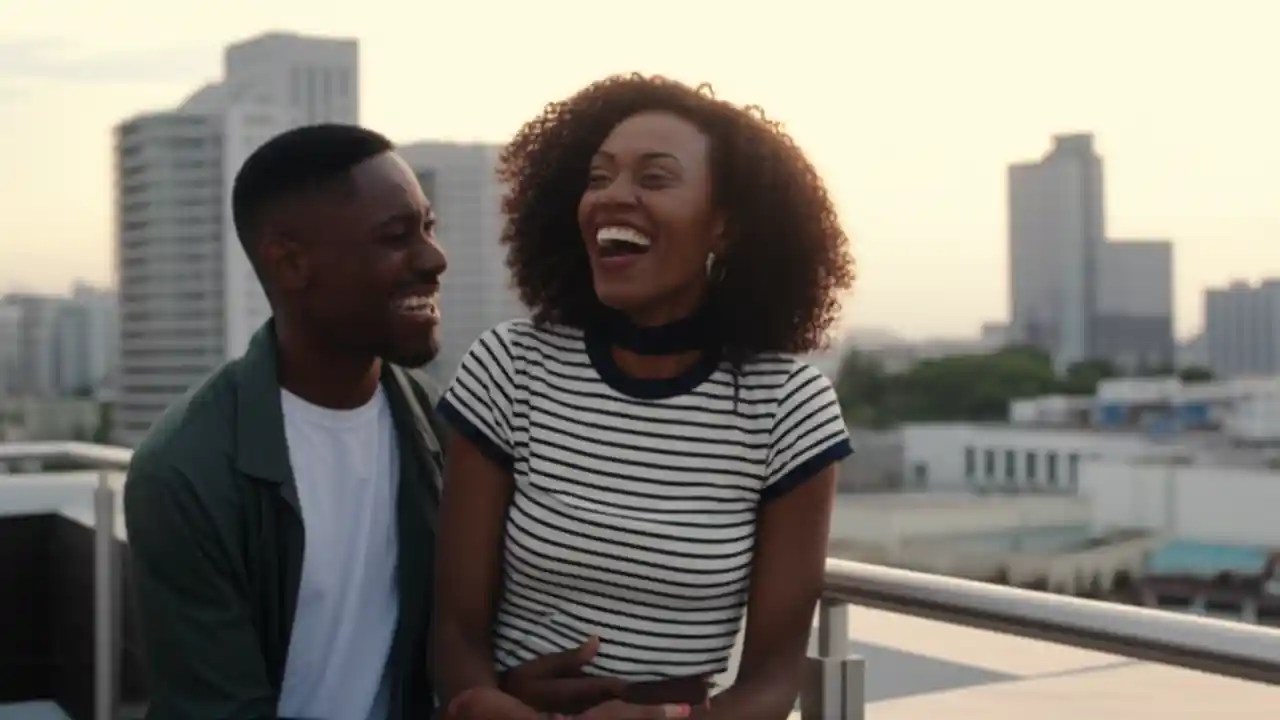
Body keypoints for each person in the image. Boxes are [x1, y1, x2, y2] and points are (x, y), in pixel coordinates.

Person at [123, 125, 617, 720]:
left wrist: (501, 690)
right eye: (396, 237)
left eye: (428, 229)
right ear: (291, 262)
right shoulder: (186, 471)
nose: (434, 259)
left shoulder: (440, 432)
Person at [434, 75, 856, 720]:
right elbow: (454, 636)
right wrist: (494, 706)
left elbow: (772, 680)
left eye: (654, 179)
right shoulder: (510, 366)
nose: (612, 197)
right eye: (598, 177)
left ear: (725, 225)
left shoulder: (788, 404)